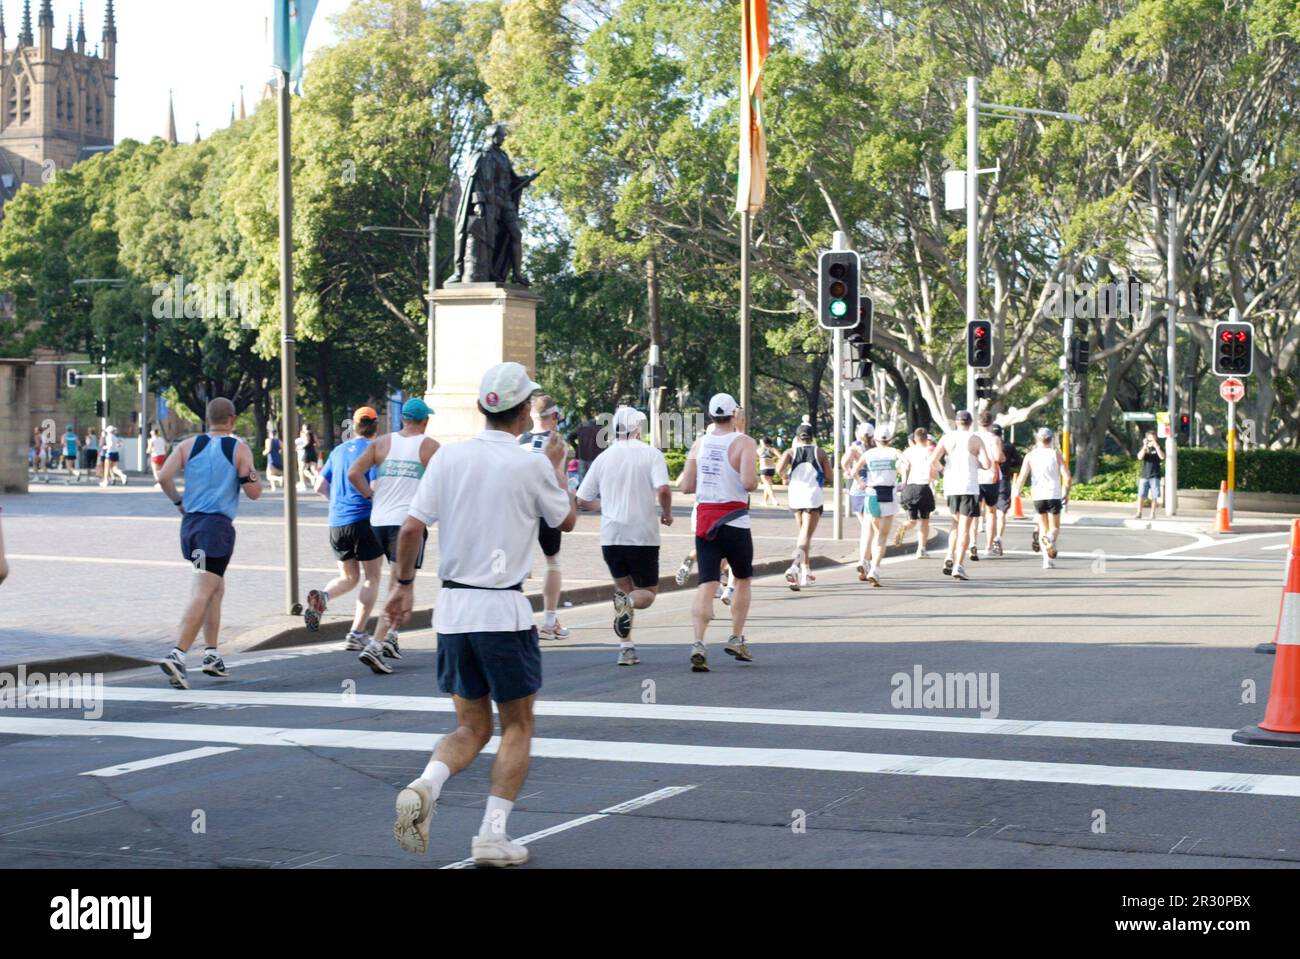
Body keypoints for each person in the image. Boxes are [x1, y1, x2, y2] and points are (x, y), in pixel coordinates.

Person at [386, 362, 576, 867]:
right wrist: (556, 465)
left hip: (451, 611)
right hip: (503, 610)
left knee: (470, 727)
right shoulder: (530, 462)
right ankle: (492, 833)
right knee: (518, 725)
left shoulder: (448, 459)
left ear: (482, 407)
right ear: (522, 413)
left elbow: (409, 531)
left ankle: (427, 783)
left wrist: (404, 586)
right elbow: (568, 519)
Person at [156, 398, 262, 689]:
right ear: (233, 418)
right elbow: (254, 492)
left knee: (215, 586)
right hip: (215, 528)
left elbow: (164, 476)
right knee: (203, 589)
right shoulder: (238, 447)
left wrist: (179, 502)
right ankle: (177, 654)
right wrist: (249, 471)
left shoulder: (188, 445)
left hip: (192, 525)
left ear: (207, 418)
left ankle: (212, 654)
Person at [347, 398, 440, 674]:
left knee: (395, 580)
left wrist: (369, 493)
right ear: (425, 421)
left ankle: (389, 637)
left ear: (403, 420)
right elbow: (444, 482)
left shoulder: (382, 443)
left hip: (379, 521)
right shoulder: (430, 446)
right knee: (400, 585)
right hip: (407, 523)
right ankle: (375, 645)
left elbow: (354, 472)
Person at [576, 406, 672, 666]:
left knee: (622, 589)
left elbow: (583, 498)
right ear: (638, 428)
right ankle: (628, 604)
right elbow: (663, 488)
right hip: (642, 535)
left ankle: (626, 648)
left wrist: (604, 507)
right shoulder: (651, 454)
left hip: (611, 536)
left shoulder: (603, 458)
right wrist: (667, 512)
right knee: (647, 594)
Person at [678, 392, 758, 672]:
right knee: (743, 579)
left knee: (707, 582)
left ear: (711, 415)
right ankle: (736, 637)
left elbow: (686, 486)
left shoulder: (699, 444)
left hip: (705, 520)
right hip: (735, 520)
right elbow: (749, 483)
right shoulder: (744, 443)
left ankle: (698, 643)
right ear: (734, 414)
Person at [303, 407, 385, 650]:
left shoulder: (338, 451)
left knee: (348, 577)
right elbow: (374, 486)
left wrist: (337, 502)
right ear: (376, 426)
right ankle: (357, 632)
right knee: (372, 578)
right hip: (364, 520)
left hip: (337, 522)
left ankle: (323, 597)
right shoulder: (375, 451)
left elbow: (319, 485)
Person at [519, 395, 572, 640]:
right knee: (552, 562)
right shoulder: (558, 443)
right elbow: (560, 477)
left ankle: (517, 619)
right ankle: (549, 621)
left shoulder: (519, 441)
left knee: (519, 566)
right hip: (548, 509)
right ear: (553, 416)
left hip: (522, 510)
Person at [930, 411, 992, 581]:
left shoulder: (947, 438)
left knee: (955, 524)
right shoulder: (976, 439)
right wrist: (976, 463)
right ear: (970, 423)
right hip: (969, 486)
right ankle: (959, 565)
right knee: (965, 527)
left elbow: (933, 460)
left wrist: (944, 470)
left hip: (951, 486)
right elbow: (987, 464)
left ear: (956, 423)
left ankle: (950, 554)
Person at [777, 422, 831, 591]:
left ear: (797, 437)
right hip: (812, 496)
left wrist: (786, 477)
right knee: (806, 535)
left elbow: (779, 469)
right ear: (812, 436)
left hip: (795, 496)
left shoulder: (790, 452)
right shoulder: (819, 452)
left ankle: (805, 572)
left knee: (802, 535)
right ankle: (794, 566)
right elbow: (830, 476)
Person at [846, 424, 902, 585]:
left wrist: (860, 483)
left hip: (869, 494)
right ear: (890, 438)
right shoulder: (893, 452)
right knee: (881, 536)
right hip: (888, 494)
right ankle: (874, 569)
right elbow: (905, 465)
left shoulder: (864, 451)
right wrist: (903, 482)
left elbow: (850, 469)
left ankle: (864, 560)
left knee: (867, 530)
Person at [1014, 427, 1072, 569]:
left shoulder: (1030, 455)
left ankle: (1046, 560)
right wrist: (1067, 491)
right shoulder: (1055, 454)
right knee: (1054, 528)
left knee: (1042, 527)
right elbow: (1067, 476)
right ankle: (1050, 539)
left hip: (1038, 495)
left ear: (1037, 439)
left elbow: (1022, 477)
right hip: (1053, 494)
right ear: (1051, 439)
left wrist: (1017, 492)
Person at [896, 428, 938, 556]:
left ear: (914, 439)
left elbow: (898, 467)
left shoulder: (907, 452)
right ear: (927, 439)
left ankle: (904, 526)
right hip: (923, 488)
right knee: (925, 520)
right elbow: (934, 474)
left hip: (908, 488)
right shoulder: (928, 452)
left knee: (913, 521)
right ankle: (921, 549)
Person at [975, 411, 1006, 559]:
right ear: (991, 422)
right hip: (990, 477)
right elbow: (999, 457)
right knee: (991, 512)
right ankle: (988, 546)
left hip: (974, 478)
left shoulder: (972, 437)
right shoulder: (995, 439)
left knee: (973, 514)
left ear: (978, 422)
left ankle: (972, 544)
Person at [567, 415, 605, 489]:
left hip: (582, 456)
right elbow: (603, 446)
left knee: (582, 478)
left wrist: (576, 447)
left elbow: (570, 437)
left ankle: (582, 496)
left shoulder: (581, 429)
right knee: (594, 479)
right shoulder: (600, 431)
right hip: (595, 458)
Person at [1135, 430, 1164, 520]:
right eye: (1150, 439)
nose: (1151, 441)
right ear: (1146, 439)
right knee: (1141, 495)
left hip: (1155, 475)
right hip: (1145, 475)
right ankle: (1139, 512)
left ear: (1156, 438)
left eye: (1153, 439)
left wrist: (1156, 446)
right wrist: (1144, 446)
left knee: (1154, 496)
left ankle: (1152, 513)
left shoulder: (1159, 447)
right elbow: (1139, 457)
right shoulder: (1145, 448)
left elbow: (1162, 457)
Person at [757, 437, 779, 507]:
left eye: (761, 442)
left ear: (764, 443)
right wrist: (777, 464)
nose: (760, 444)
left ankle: (774, 500)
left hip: (764, 469)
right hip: (772, 469)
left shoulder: (760, 450)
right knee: (767, 485)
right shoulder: (772, 449)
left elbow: (754, 457)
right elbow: (781, 457)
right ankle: (764, 501)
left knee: (767, 485)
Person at [296, 423, 319, 490]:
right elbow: (317, 444)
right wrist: (313, 445)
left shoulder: (306, 433)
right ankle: (318, 478)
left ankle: (303, 484)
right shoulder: (313, 434)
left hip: (307, 452)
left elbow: (307, 442)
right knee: (313, 469)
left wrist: (300, 447)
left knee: (301, 469)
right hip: (313, 452)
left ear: (305, 427)